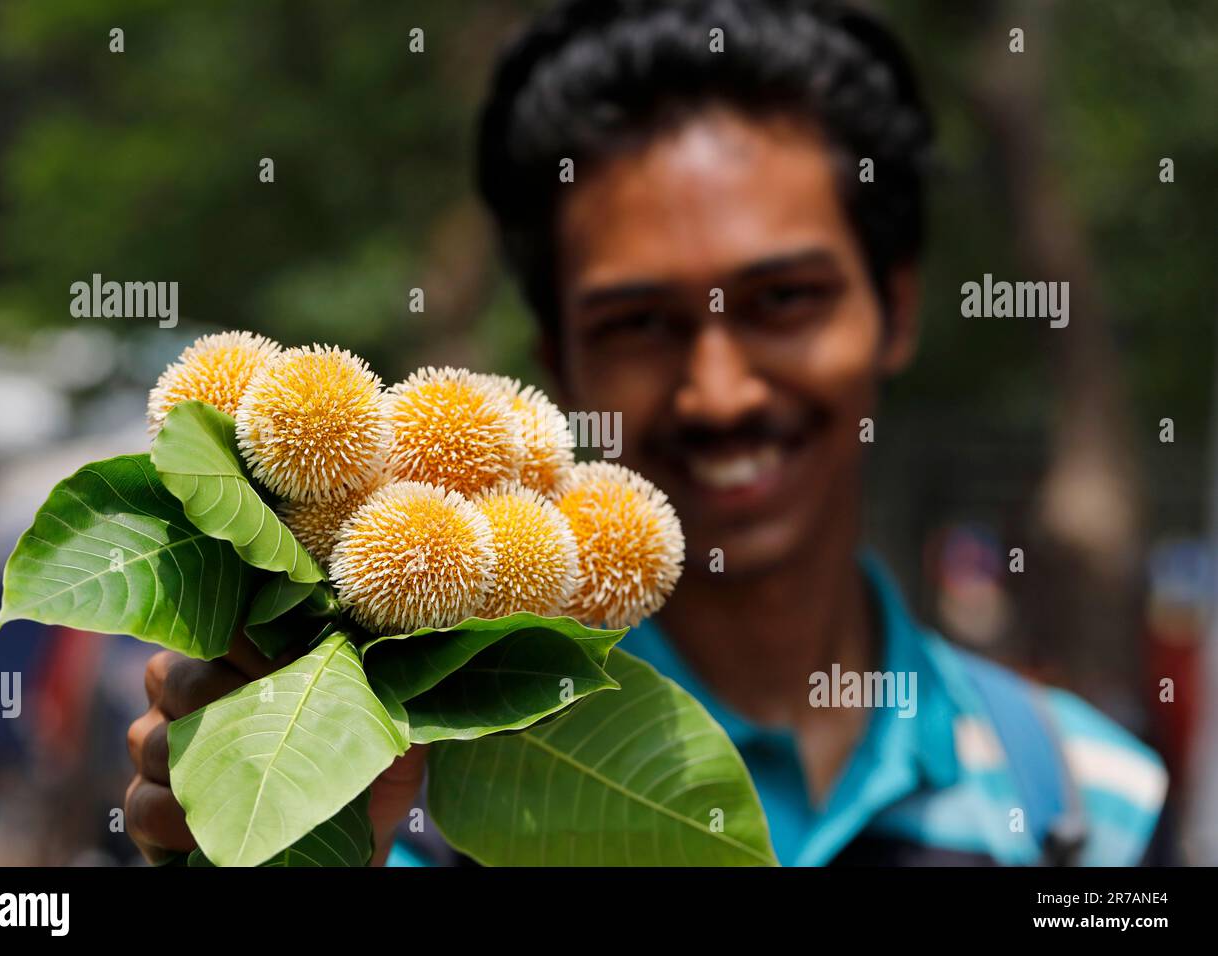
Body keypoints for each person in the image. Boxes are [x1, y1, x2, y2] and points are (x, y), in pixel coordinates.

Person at [125, 0, 1167, 867]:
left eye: (784, 300)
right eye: (638, 323)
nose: (719, 394)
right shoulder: (399, 793)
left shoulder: (1093, 811)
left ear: (893, 309)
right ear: (557, 355)